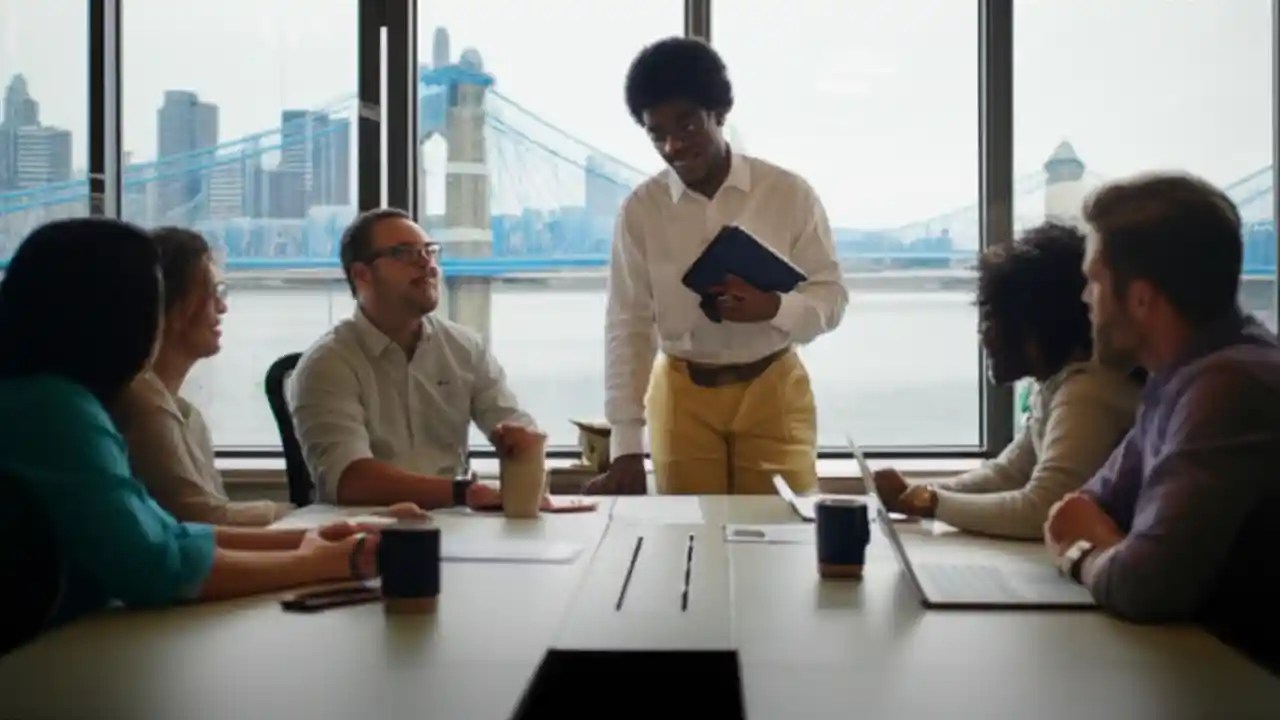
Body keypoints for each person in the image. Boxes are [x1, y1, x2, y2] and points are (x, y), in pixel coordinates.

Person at [0, 219, 388, 642]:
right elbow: (154, 564)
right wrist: (324, 563)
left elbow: (166, 530)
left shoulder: (53, 397)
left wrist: (306, 538)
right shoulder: (52, 410)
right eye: (149, 303)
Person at [586, 37, 847, 496]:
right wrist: (627, 446)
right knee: (687, 547)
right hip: (681, 392)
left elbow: (832, 297)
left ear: (719, 112)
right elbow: (627, 326)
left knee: (780, 544)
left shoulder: (788, 194)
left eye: (686, 125)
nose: (673, 145)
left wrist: (774, 307)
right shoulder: (640, 211)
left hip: (774, 386)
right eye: (657, 133)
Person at [1043, 172, 1280, 670]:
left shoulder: (1229, 388)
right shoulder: (1178, 377)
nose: (1086, 299)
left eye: (1096, 281)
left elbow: (1144, 586)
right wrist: (1113, 546)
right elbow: (1080, 506)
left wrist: (1082, 553)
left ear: (1143, 298)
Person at [873, 223, 1141, 539]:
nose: (984, 334)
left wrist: (932, 502)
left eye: (991, 318)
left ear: (1036, 325)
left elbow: (1043, 509)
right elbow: (1009, 474)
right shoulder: (1060, 386)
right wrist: (918, 494)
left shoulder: (1086, 394)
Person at [290, 208, 539, 509]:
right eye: (405, 253)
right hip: (367, 533)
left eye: (429, 251)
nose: (427, 263)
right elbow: (348, 480)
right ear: (361, 274)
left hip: (456, 525)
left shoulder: (463, 347)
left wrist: (519, 443)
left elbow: (520, 430)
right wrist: (463, 493)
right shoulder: (327, 363)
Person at [111, 227, 292, 525]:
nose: (222, 307)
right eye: (213, 292)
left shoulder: (186, 415)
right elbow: (200, 518)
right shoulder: (142, 404)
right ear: (170, 304)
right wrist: (302, 516)